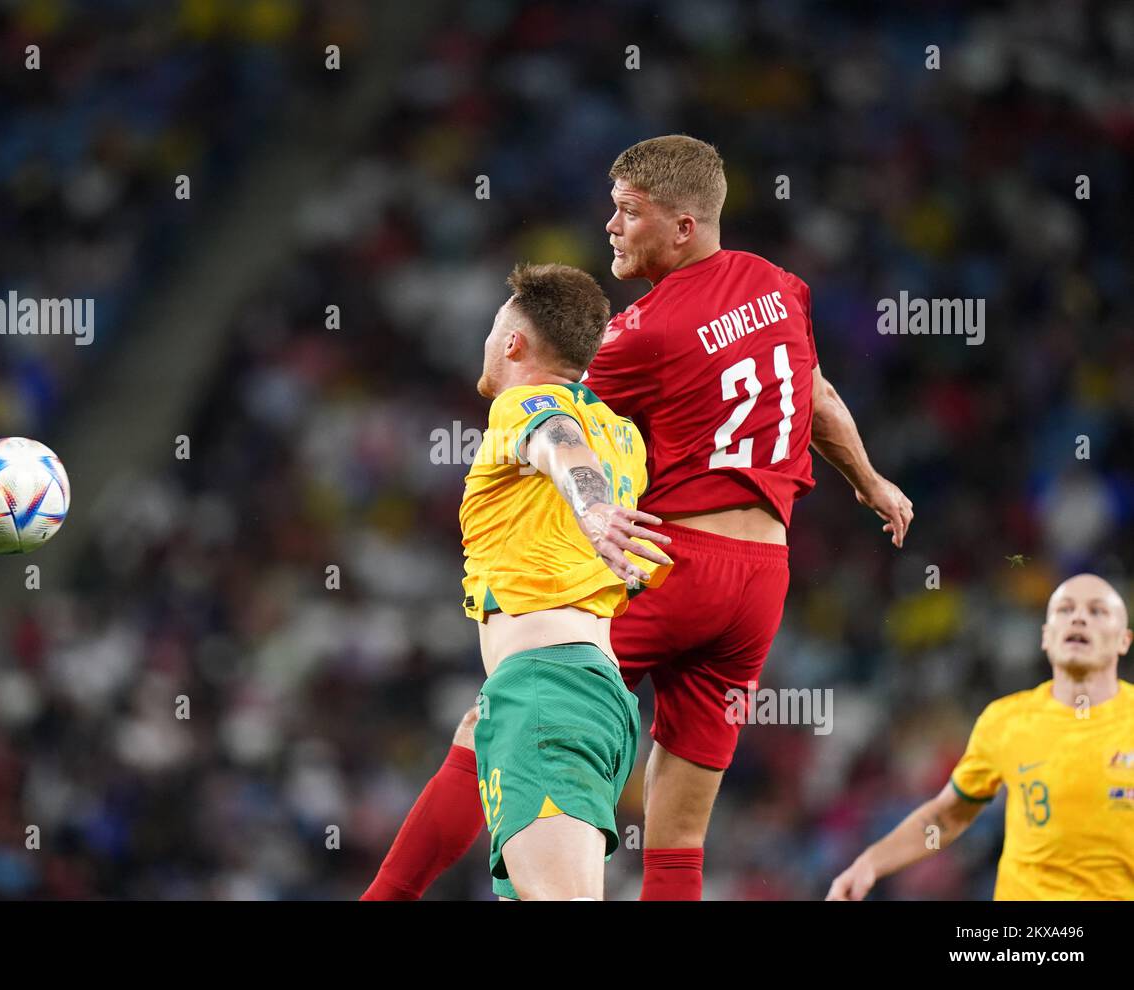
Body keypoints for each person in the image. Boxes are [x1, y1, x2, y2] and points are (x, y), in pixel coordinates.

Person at [363, 135, 911, 902]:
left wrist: (572, 502)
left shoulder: (638, 335)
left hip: (668, 561)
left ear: (682, 226)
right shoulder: (779, 287)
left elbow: (552, 408)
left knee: (502, 719)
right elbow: (814, 393)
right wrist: (871, 480)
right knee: (678, 836)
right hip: (761, 585)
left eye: (629, 212)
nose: (611, 227)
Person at [456, 260, 672, 899]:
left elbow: (557, 439)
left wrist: (592, 504)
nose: (490, 341)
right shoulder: (626, 438)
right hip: (581, 691)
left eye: (496, 330)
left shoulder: (527, 404)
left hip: (546, 690)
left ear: (513, 343)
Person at [827, 572, 1134, 901]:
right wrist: (869, 864)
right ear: (1046, 636)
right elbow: (948, 816)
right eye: (1065, 609)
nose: (1079, 618)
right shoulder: (1006, 721)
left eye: (1097, 611)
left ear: (1124, 640)